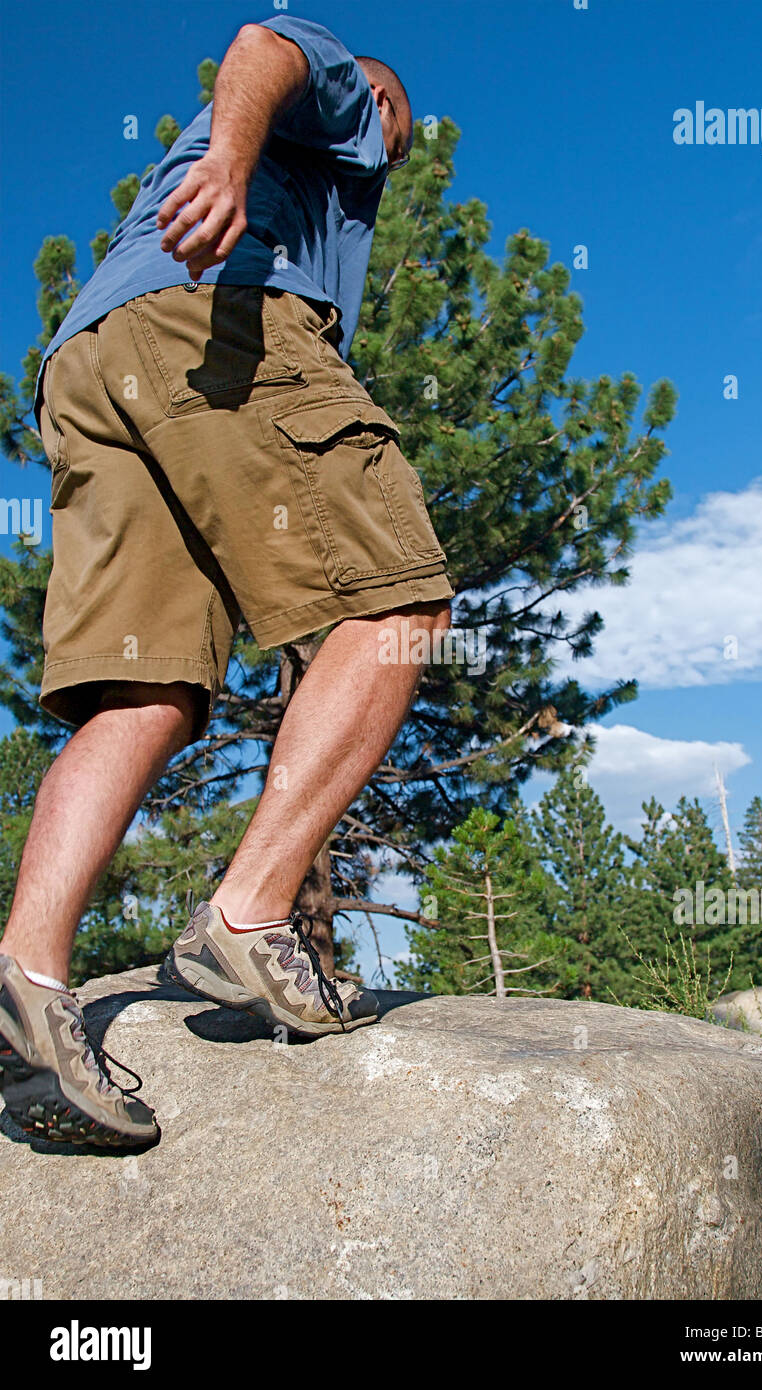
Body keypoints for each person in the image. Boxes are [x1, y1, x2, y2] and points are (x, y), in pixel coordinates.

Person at [0, 14, 453, 1150]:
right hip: (218, 313)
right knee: (396, 604)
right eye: (396, 127)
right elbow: (267, 44)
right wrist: (231, 162)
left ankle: (26, 982)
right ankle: (247, 916)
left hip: (90, 364)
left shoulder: (231, 206)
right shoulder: (353, 101)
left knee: (141, 690)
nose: (394, 146)